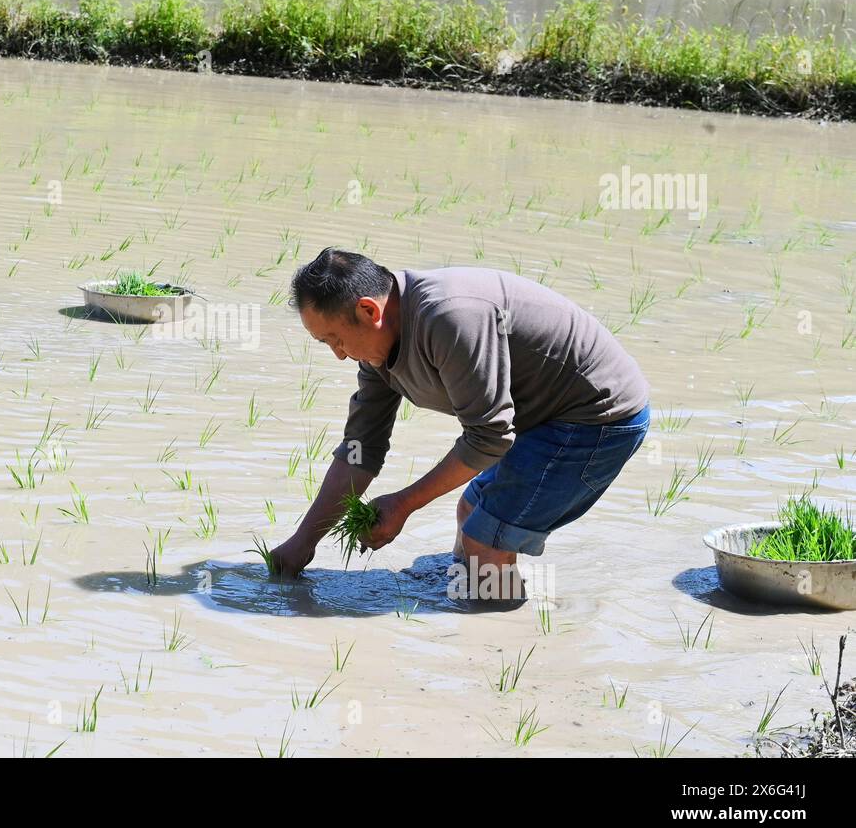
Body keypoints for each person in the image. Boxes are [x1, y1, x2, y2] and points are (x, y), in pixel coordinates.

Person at [270, 248, 651, 599]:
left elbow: (489, 437)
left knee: (486, 542)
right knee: (472, 514)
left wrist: (403, 504)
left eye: (336, 339)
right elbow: (360, 451)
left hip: (597, 416)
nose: (339, 355)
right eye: (326, 344)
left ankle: (496, 648)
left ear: (370, 311)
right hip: (543, 416)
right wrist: (304, 540)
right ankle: (477, 618)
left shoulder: (450, 317)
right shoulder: (376, 355)